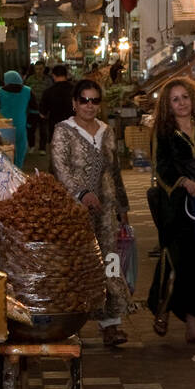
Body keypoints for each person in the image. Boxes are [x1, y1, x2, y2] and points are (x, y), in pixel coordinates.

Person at [147, 77, 195, 346]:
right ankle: (162, 305)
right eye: (175, 99)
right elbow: (161, 169)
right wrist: (184, 182)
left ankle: (193, 327)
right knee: (175, 261)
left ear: (193, 100)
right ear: (168, 106)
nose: (181, 103)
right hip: (176, 206)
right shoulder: (162, 133)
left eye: (185, 98)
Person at [52, 78, 131, 347]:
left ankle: (111, 324)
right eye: (84, 100)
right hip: (76, 210)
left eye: (95, 100)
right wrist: (82, 193)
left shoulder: (107, 131)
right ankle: (71, 326)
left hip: (107, 209)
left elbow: (115, 171)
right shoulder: (63, 131)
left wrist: (123, 206)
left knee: (109, 262)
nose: (89, 105)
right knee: (79, 265)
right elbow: (60, 167)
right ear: (74, 103)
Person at [0, 70, 31, 168]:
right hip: (20, 124)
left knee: (5, 150)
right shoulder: (28, 91)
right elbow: (33, 109)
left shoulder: (0, 92)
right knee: (20, 149)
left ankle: (5, 170)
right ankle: (18, 170)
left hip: (4, 125)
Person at [41, 64, 75, 167]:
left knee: (57, 158)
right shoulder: (75, 90)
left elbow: (43, 114)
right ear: (66, 75)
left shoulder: (48, 92)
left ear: (53, 76)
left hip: (55, 128)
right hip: (74, 127)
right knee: (73, 155)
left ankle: (56, 179)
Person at [23, 59, 51, 153]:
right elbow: (25, 92)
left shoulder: (48, 80)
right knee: (31, 129)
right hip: (32, 109)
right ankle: (31, 146)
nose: (39, 71)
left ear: (44, 69)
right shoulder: (30, 79)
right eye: (37, 69)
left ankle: (42, 148)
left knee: (43, 130)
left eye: (41, 69)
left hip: (44, 108)